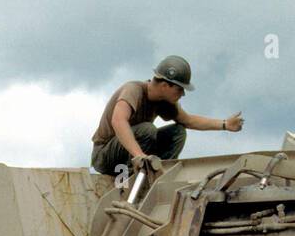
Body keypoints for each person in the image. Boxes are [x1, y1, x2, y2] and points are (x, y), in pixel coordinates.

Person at [90, 55, 244, 175]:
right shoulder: (133, 90)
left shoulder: (165, 101)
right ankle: (134, 177)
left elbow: (188, 121)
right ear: (164, 85)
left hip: (133, 153)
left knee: (177, 132)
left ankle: (158, 175)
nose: (183, 94)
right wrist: (139, 156)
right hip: (105, 156)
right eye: (179, 89)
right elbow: (118, 121)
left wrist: (225, 124)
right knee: (147, 130)